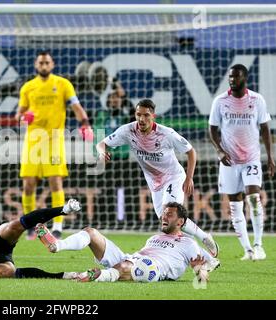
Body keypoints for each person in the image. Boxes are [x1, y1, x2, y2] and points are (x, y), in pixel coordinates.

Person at [96, 98, 219, 258]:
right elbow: (101, 143)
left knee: (171, 217)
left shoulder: (166, 134)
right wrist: (101, 152)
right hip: (155, 183)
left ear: (153, 116)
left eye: (146, 115)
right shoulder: (127, 131)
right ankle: (204, 244)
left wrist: (189, 179)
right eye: (139, 115)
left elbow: (191, 152)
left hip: (174, 177)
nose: (141, 119)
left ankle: (203, 253)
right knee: (168, 220)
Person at [35, 202, 220, 282]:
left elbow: (204, 275)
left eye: (169, 215)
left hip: (154, 270)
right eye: (163, 213)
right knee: (91, 232)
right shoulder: (154, 237)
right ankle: (56, 245)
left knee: (126, 266)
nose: (164, 216)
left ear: (180, 222)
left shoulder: (189, 244)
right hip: (132, 259)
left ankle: (98, 276)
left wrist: (199, 272)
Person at [15, 51, 93, 240]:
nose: (43, 65)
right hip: (33, 141)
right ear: (36, 65)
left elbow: (76, 105)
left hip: (54, 140)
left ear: (52, 64)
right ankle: (31, 226)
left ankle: (58, 226)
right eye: (41, 62)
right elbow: (18, 115)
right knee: (28, 185)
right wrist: (25, 117)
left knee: (56, 182)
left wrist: (85, 123)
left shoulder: (63, 84)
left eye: (47, 62)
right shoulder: (28, 87)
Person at [209, 64, 274, 261]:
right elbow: (212, 129)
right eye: (230, 77)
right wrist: (219, 151)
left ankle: (258, 245)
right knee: (235, 206)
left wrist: (270, 157)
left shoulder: (257, 100)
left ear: (244, 78)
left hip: (251, 159)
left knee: (254, 199)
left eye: (235, 77)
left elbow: (265, 130)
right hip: (229, 161)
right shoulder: (220, 101)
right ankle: (247, 250)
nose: (231, 80)